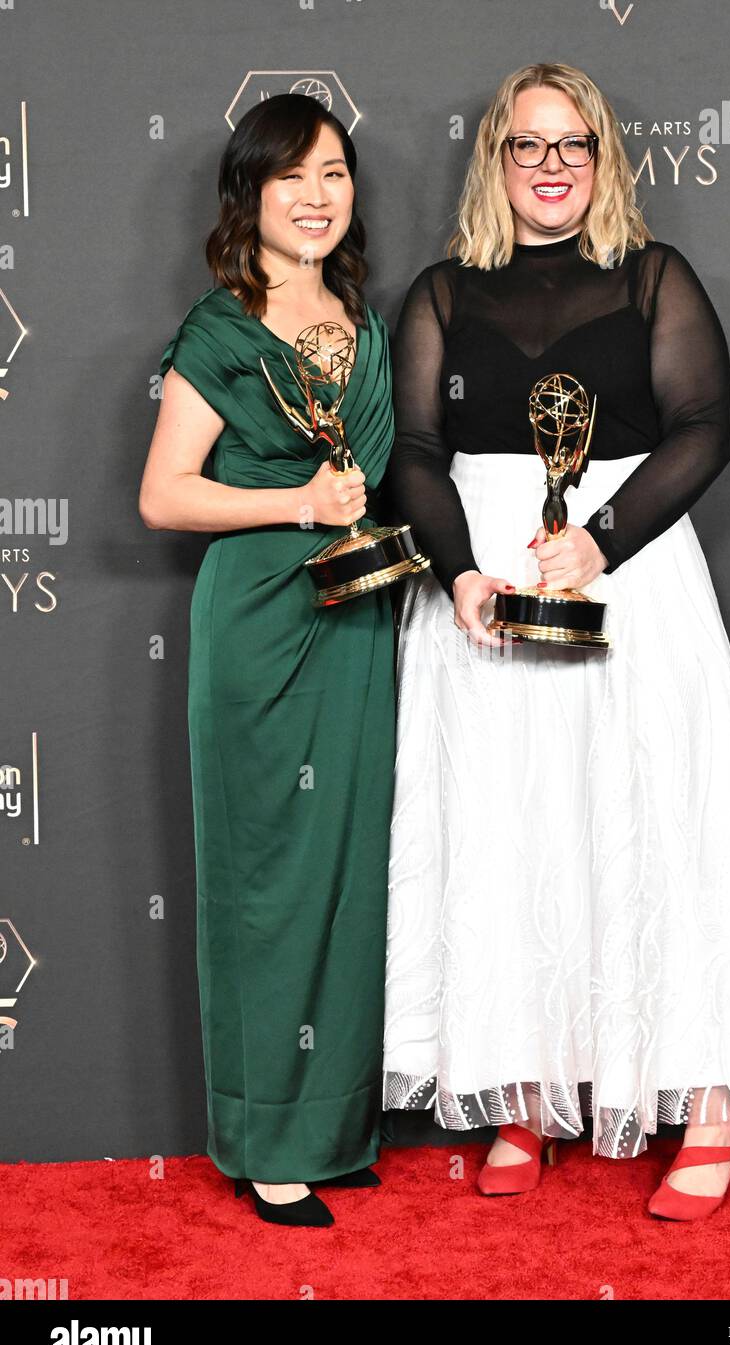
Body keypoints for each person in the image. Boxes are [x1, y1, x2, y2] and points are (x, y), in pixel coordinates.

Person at [380, 62, 730, 1219]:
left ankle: (708, 1102)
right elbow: (413, 450)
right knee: (511, 827)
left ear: (605, 158)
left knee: (663, 823)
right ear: (496, 163)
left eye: (573, 144)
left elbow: (706, 425)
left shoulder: (653, 278)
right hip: (482, 594)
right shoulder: (437, 294)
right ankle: (524, 1086)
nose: (552, 165)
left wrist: (603, 541)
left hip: (631, 588)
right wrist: (458, 568)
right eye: (528, 146)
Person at [139, 93, 396, 1226]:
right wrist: (296, 500)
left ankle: (330, 1127)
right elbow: (161, 493)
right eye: (292, 176)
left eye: (334, 172)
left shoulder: (365, 319)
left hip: (360, 624)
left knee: (345, 873)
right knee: (265, 883)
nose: (316, 196)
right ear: (251, 194)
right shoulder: (221, 327)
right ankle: (261, 1138)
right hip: (258, 623)